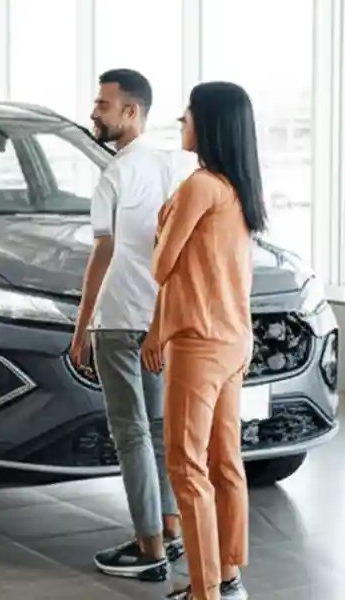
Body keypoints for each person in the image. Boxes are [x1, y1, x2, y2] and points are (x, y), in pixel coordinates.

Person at [68, 69, 196, 581]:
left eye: (103, 104)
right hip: (159, 318)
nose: (95, 112)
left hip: (118, 319)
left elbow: (104, 253)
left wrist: (81, 329)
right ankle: (169, 529)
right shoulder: (174, 167)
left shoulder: (115, 175)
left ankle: (148, 549)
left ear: (131, 112)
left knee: (131, 434)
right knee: (161, 430)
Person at [142, 81, 267, 600]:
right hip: (233, 341)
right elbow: (201, 272)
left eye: (188, 113)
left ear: (209, 123)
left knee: (185, 467)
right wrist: (157, 328)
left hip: (197, 344)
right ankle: (228, 577)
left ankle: (203, 591)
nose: (180, 120)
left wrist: (163, 218)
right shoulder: (239, 190)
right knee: (224, 461)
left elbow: (161, 265)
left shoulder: (199, 187)